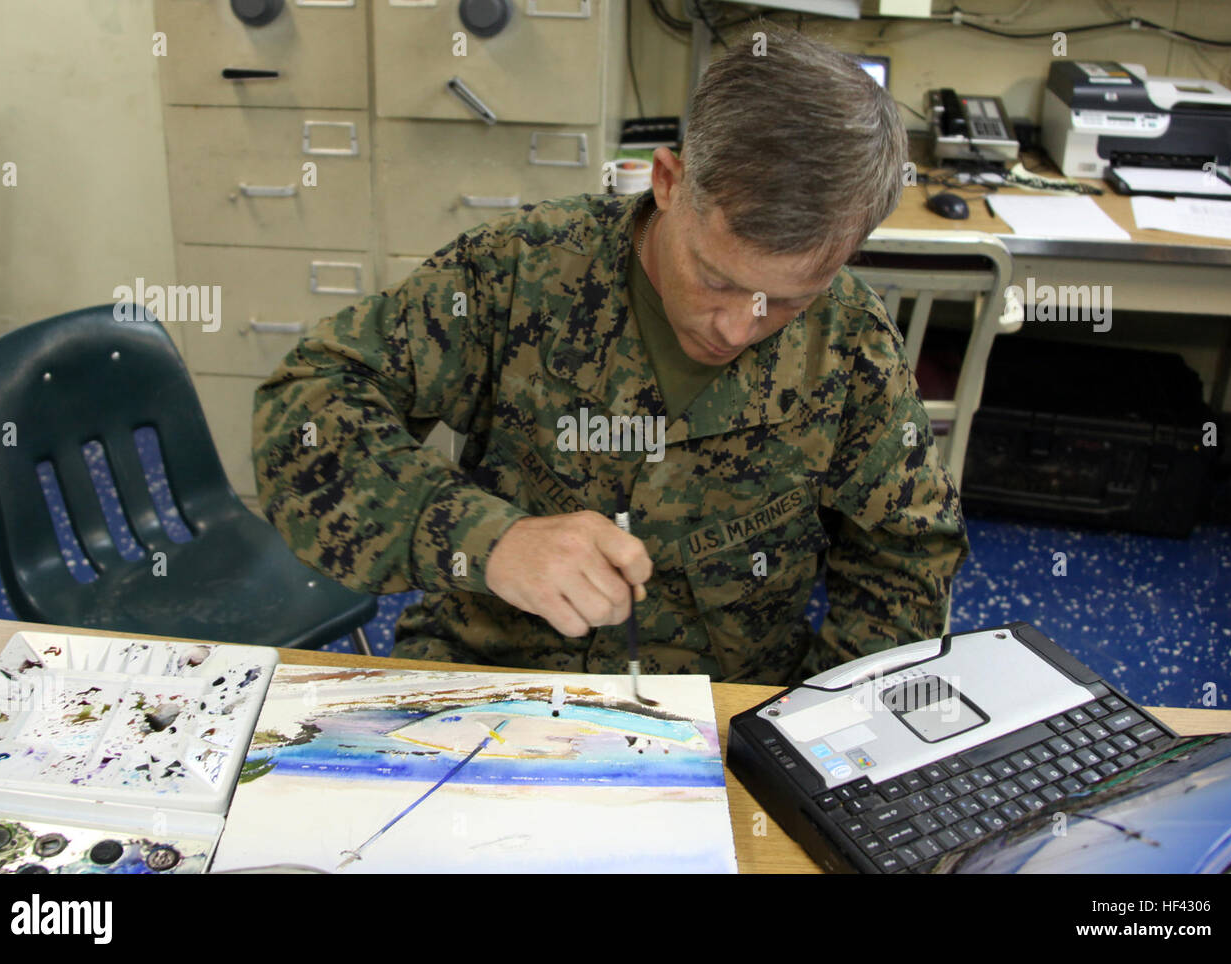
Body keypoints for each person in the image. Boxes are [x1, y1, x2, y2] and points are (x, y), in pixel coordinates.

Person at [252, 25, 969, 685]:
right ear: (667, 181)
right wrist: (488, 539)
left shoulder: (851, 343)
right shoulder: (521, 272)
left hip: (719, 708)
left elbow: (905, 559)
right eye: (717, 278)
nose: (736, 327)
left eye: (788, 300)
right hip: (495, 678)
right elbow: (306, 407)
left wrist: (817, 729)